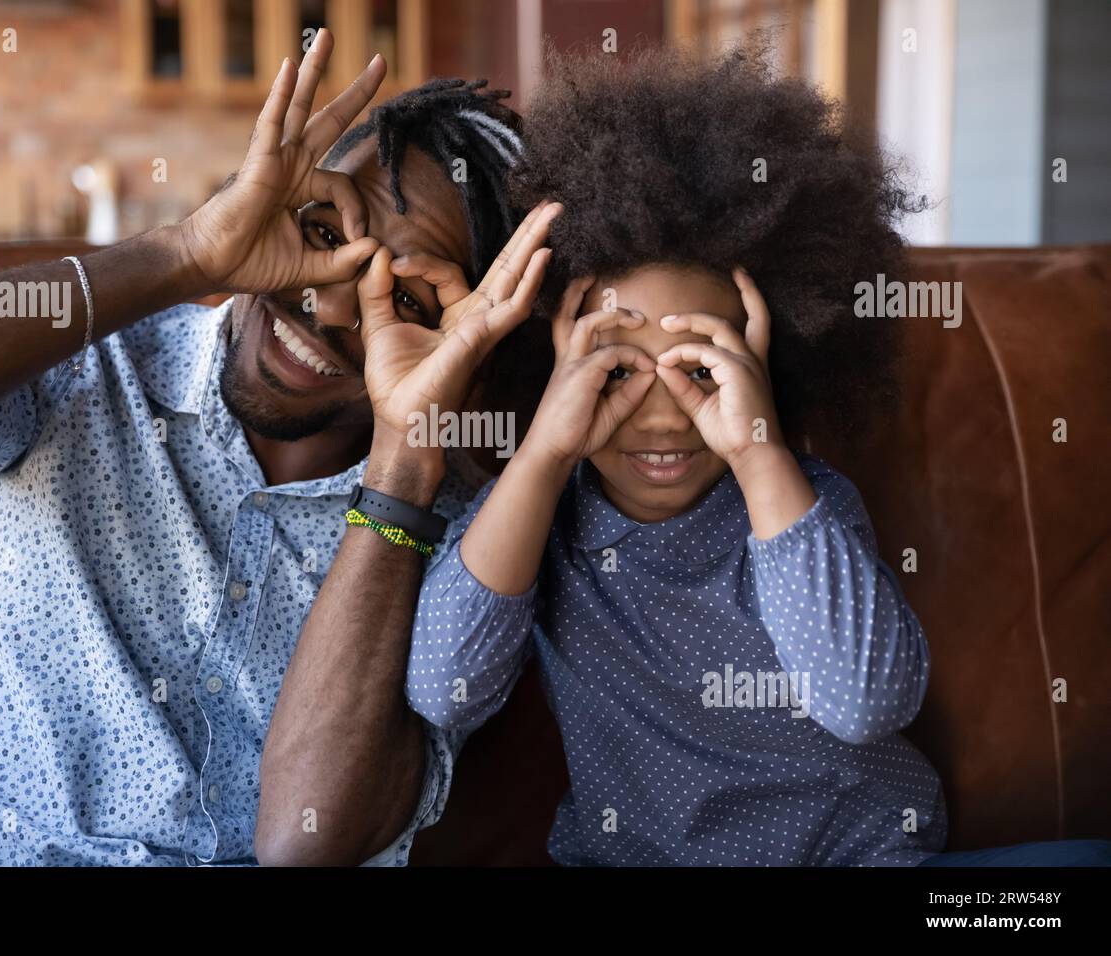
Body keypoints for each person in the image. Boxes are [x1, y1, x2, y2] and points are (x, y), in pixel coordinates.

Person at [0, 30, 556, 866]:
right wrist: (184, 252)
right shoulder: (80, 357)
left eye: (409, 302)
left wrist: (402, 459)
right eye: (321, 232)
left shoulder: (459, 533)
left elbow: (309, 846)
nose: (331, 306)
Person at [405, 45, 1111, 867]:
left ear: (766, 362)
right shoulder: (535, 529)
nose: (665, 416)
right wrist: (543, 452)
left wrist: (757, 447)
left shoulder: (802, 505)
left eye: (699, 366)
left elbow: (864, 702)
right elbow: (441, 686)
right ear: (549, 368)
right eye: (615, 369)